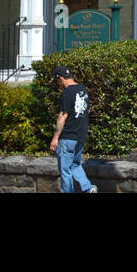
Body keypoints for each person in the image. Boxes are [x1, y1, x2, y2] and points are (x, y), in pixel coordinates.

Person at [50, 65, 97, 193]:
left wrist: (55, 138)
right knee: (75, 164)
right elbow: (87, 110)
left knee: (65, 169)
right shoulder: (83, 90)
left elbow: (63, 116)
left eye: (57, 81)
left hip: (68, 137)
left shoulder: (67, 92)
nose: (58, 84)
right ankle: (88, 188)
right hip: (81, 135)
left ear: (60, 78)